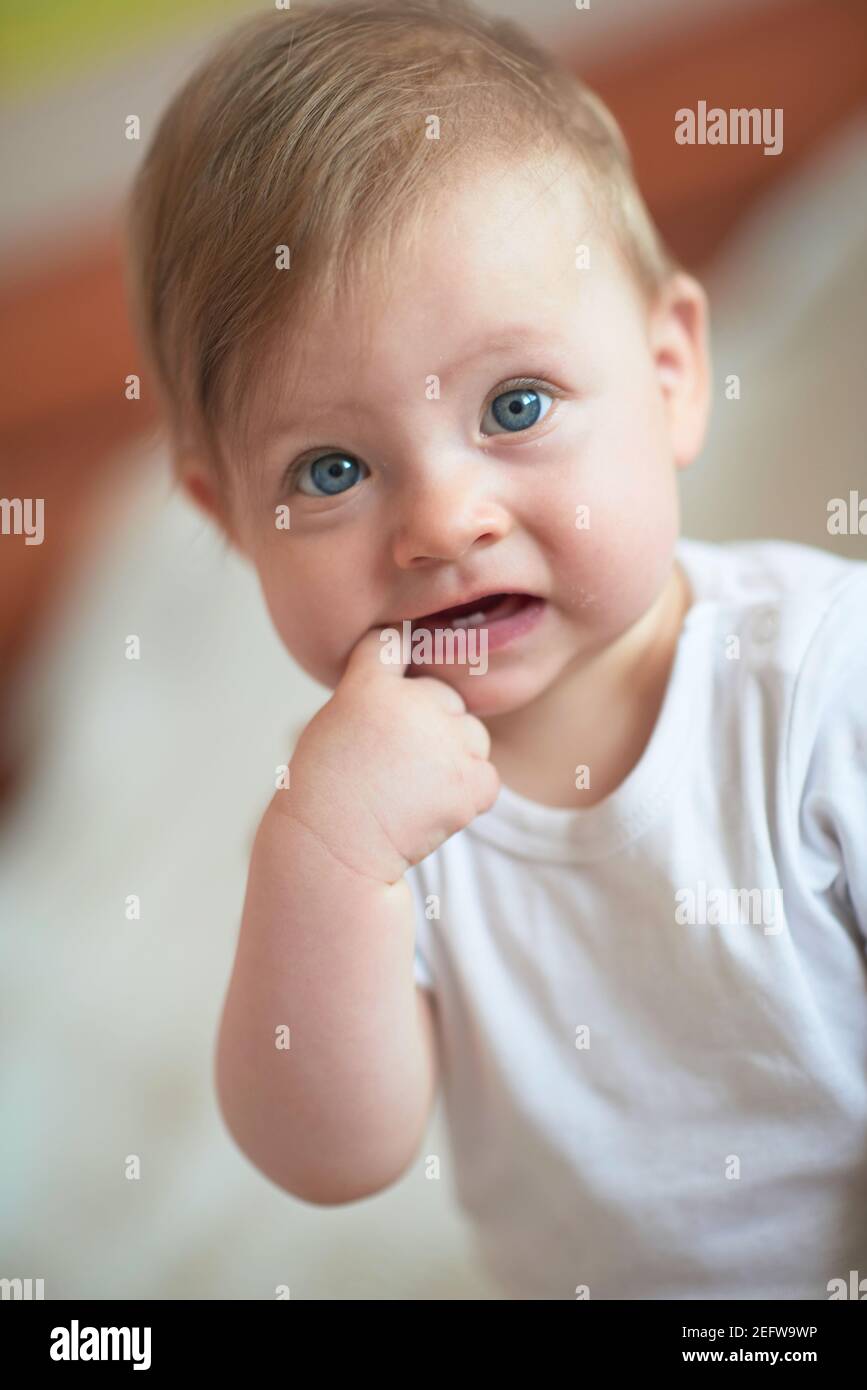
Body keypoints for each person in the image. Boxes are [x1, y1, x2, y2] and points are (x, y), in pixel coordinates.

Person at [124, 0, 867, 1299]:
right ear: (231, 520)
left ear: (672, 373)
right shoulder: (360, 827)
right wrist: (333, 851)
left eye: (515, 406)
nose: (440, 523)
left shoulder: (816, 684)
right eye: (333, 467)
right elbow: (334, 1153)